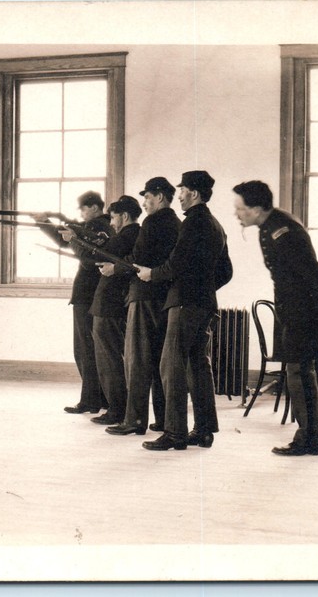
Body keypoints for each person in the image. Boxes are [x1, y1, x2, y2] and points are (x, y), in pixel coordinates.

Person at [232, 180, 318, 456]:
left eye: (241, 208)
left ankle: (308, 439)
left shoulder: (282, 231)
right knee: (309, 365)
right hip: (298, 306)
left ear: (257, 209)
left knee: (298, 370)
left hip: (304, 308)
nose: (237, 214)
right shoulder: (271, 225)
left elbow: (308, 271)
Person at [139, 170, 233, 451]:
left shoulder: (192, 223)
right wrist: (204, 286)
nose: (178, 196)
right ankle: (203, 431)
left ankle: (175, 433)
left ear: (192, 193)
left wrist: (151, 274)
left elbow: (175, 265)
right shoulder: (215, 224)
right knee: (197, 367)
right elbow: (226, 272)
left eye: (181, 191)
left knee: (171, 366)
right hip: (205, 303)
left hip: (184, 303)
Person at [102, 178, 181, 436]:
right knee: (159, 361)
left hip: (143, 295)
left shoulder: (152, 222)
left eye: (147, 197)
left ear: (159, 197)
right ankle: (160, 419)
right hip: (164, 298)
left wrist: (116, 267)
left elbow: (138, 259)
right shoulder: (177, 223)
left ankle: (134, 420)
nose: (145, 203)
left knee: (136, 360)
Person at [33, 191, 113, 415]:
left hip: (87, 295)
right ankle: (100, 397)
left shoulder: (98, 227)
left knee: (85, 349)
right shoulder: (100, 227)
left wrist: (62, 231)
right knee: (91, 348)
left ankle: (90, 400)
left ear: (95, 208)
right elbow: (65, 239)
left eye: (84, 209)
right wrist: (45, 222)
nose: (81, 213)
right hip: (92, 295)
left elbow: (84, 254)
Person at [88, 195, 142, 427]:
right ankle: (117, 407)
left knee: (108, 358)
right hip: (112, 304)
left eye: (113, 218)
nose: (110, 223)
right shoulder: (133, 235)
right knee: (111, 356)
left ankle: (116, 409)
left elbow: (92, 256)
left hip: (109, 305)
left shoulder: (127, 235)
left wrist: (77, 240)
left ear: (125, 216)